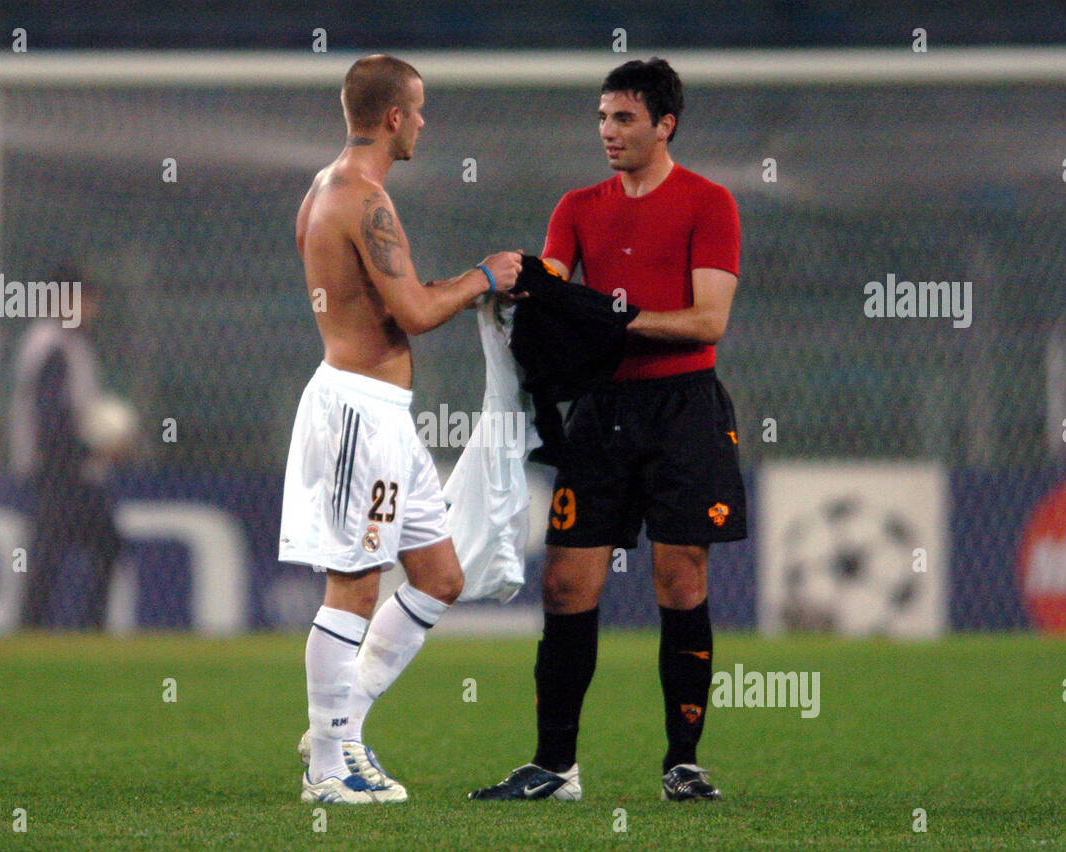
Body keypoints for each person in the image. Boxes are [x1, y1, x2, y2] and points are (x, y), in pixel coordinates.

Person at [469, 57, 746, 802]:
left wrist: (613, 319)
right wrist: (509, 292)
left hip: (685, 407)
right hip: (604, 412)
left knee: (681, 576)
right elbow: (553, 289)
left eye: (623, 118)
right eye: (601, 118)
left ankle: (682, 763)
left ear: (665, 124)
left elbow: (709, 320)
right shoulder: (578, 205)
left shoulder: (709, 202)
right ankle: (555, 766)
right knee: (563, 582)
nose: (607, 132)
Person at [282, 54, 521, 804]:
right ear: (393, 117)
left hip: (384, 418)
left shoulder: (326, 189)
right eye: (417, 111)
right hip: (359, 412)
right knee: (352, 585)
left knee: (438, 577)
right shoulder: (365, 200)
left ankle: (342, 732)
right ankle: (326, 766)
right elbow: (414, 311)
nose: (422, 122)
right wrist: (484, 277)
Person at [10, 266, 125, 630]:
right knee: (73, 549)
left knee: (72, 549)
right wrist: (92, 451)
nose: (91, 309)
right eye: (84, 300)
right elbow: (52, 418)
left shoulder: (65, 345)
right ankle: (64, 628)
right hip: (59, 470)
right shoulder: (54, 348)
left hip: (64, 468)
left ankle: (38, 629)